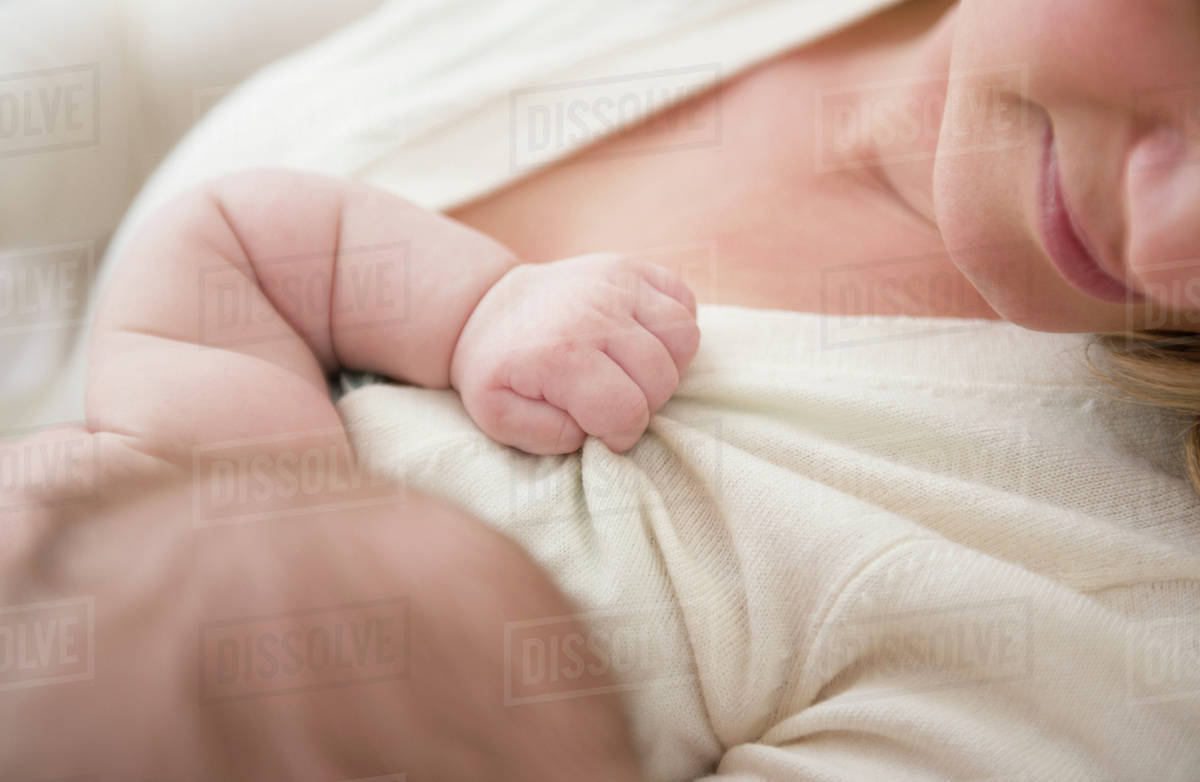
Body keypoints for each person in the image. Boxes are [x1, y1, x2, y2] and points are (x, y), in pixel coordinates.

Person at [4, 0, 1200, 779]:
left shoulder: (1112, 632)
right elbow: (207, 193)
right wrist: (471, 309)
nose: (1169, 236)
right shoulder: (211, 495)